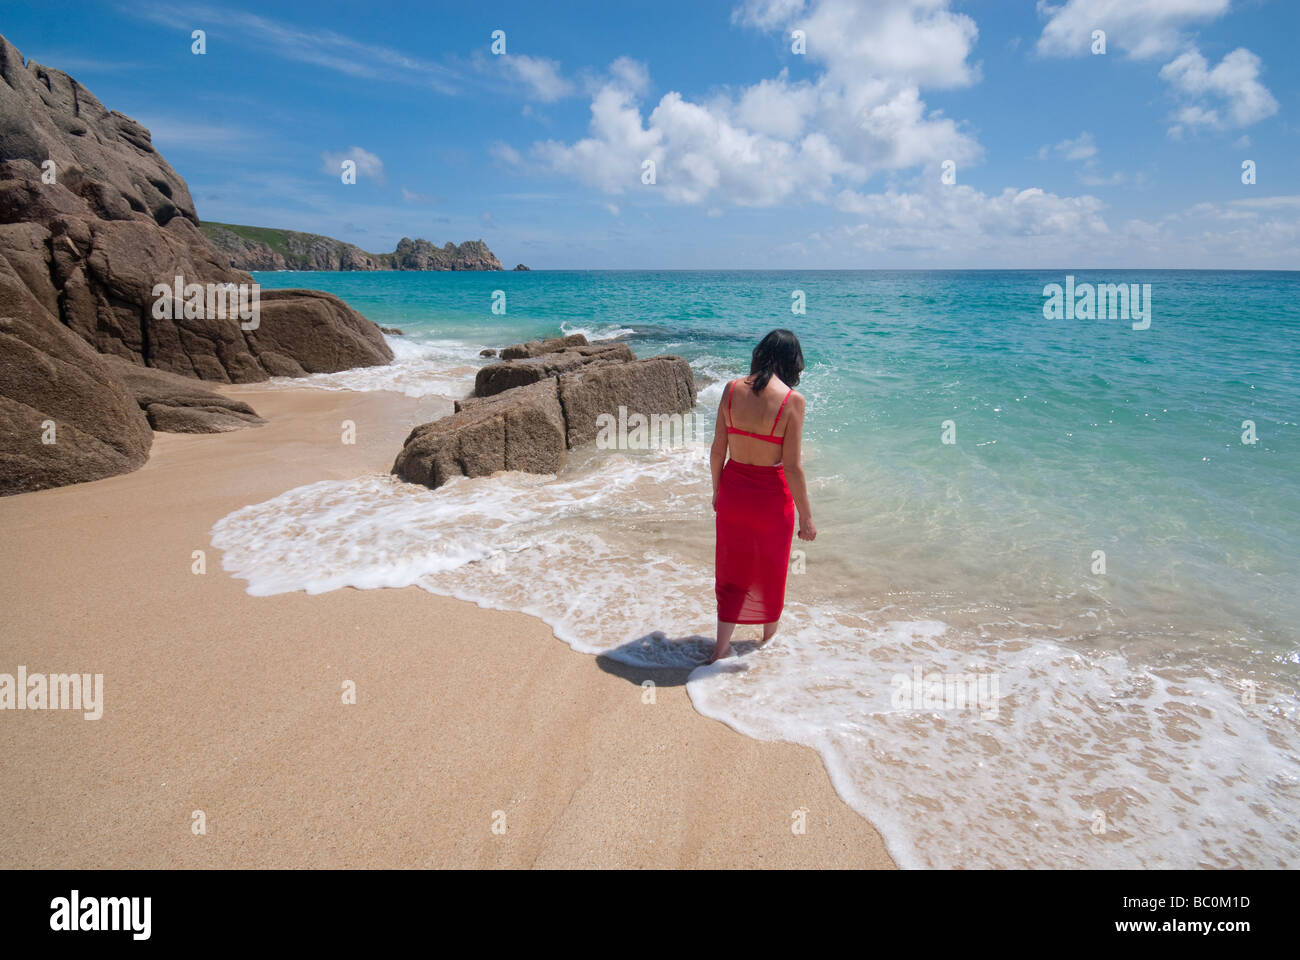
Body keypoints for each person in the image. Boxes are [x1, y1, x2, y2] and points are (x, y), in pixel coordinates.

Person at [709, 329, 815, 663]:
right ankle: (767, 642)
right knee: (771, 568)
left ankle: (721, 648)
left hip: (733, 491)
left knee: (730, 569)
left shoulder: (730, 389)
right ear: (792, 361)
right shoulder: (792, 401)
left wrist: (717, 491)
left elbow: (717, 451)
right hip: (771, 498)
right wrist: (807, 518)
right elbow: (794, 468)